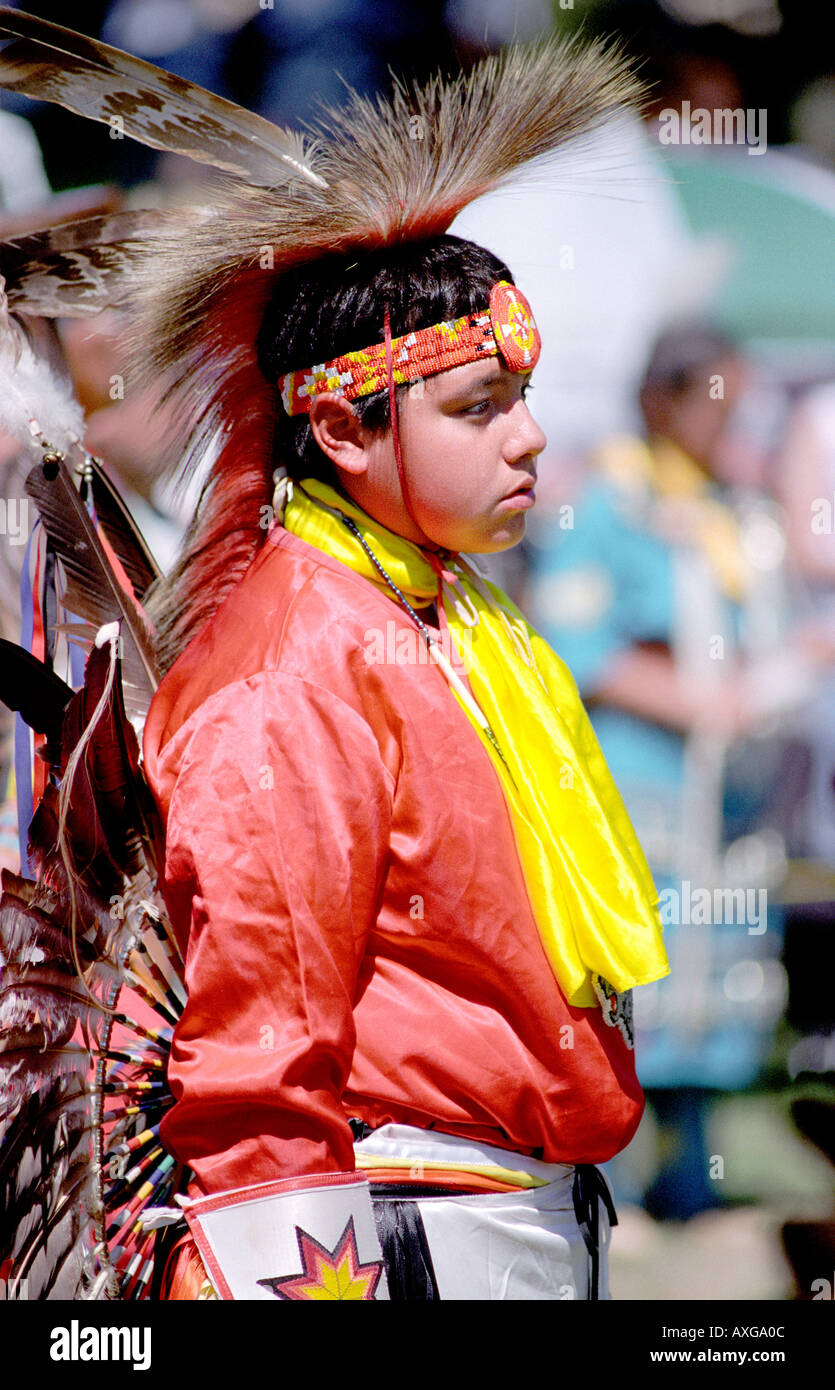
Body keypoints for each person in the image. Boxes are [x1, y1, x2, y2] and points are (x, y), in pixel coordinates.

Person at [0, 14, 668, 1300]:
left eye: (524, 396)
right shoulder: (291, 669)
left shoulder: (456, 621)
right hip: (389, 1237)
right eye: (478, 406)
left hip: (507, 1217)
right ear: (342, 432)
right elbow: (261, 1058)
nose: (528, 439)